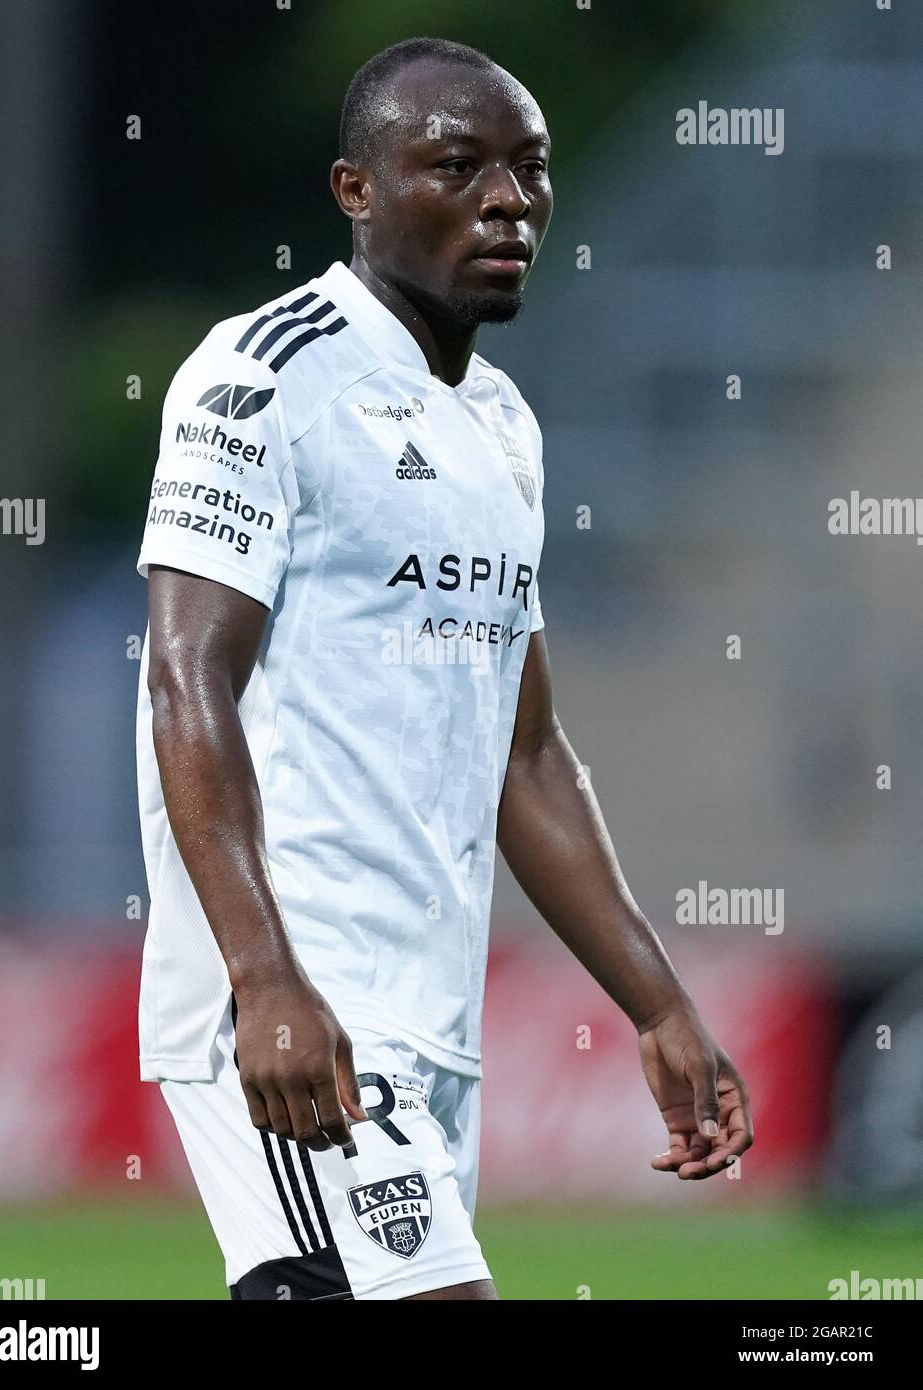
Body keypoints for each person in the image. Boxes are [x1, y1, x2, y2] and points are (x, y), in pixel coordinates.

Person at [134, 35, 752, 1302]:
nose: (508, 201)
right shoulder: (262, 377)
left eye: (528, 170)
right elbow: (183, 681)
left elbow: (523, 751)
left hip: (426, 1018)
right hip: (302, 1001)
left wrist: (657, 1003)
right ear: (356, 189)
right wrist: (266, 978)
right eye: (457, 167)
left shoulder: (504, 428)